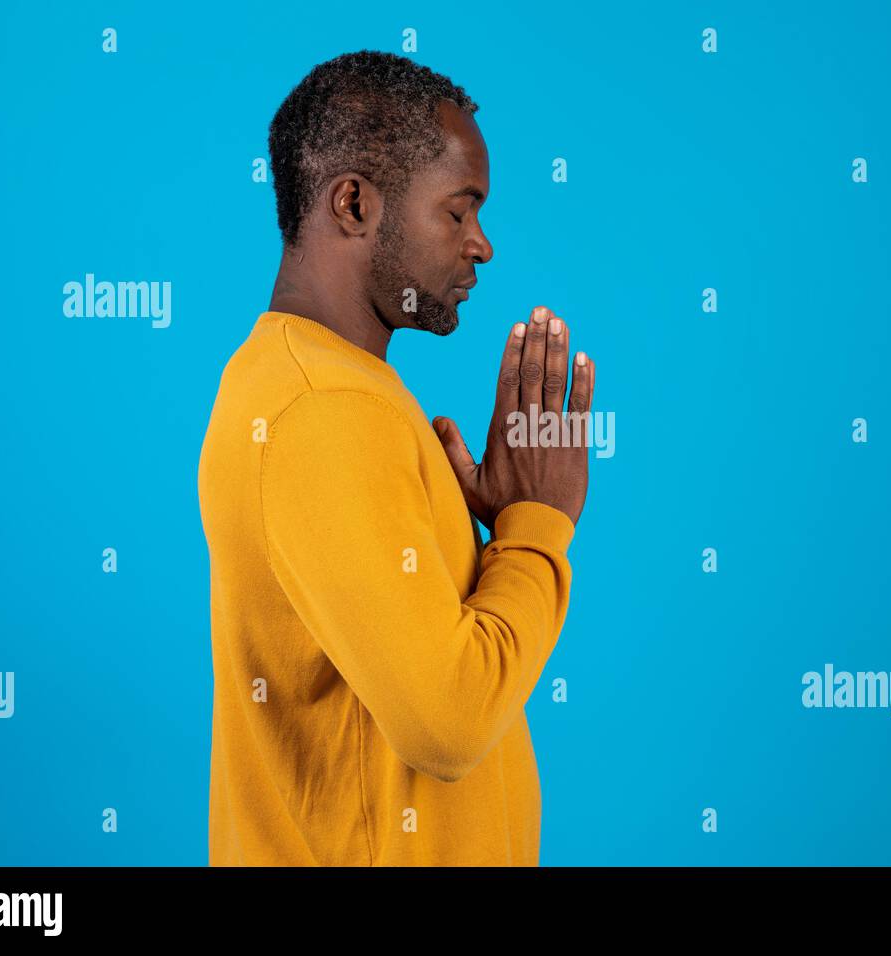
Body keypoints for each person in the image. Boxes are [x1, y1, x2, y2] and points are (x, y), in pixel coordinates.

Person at [197, 49, 595, 866]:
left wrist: (480, 538)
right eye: (458, 212)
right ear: (353, 203)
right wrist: (536, 530)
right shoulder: (323, 408)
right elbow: (446, 723)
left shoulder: (304, 382)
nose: (481, 245)